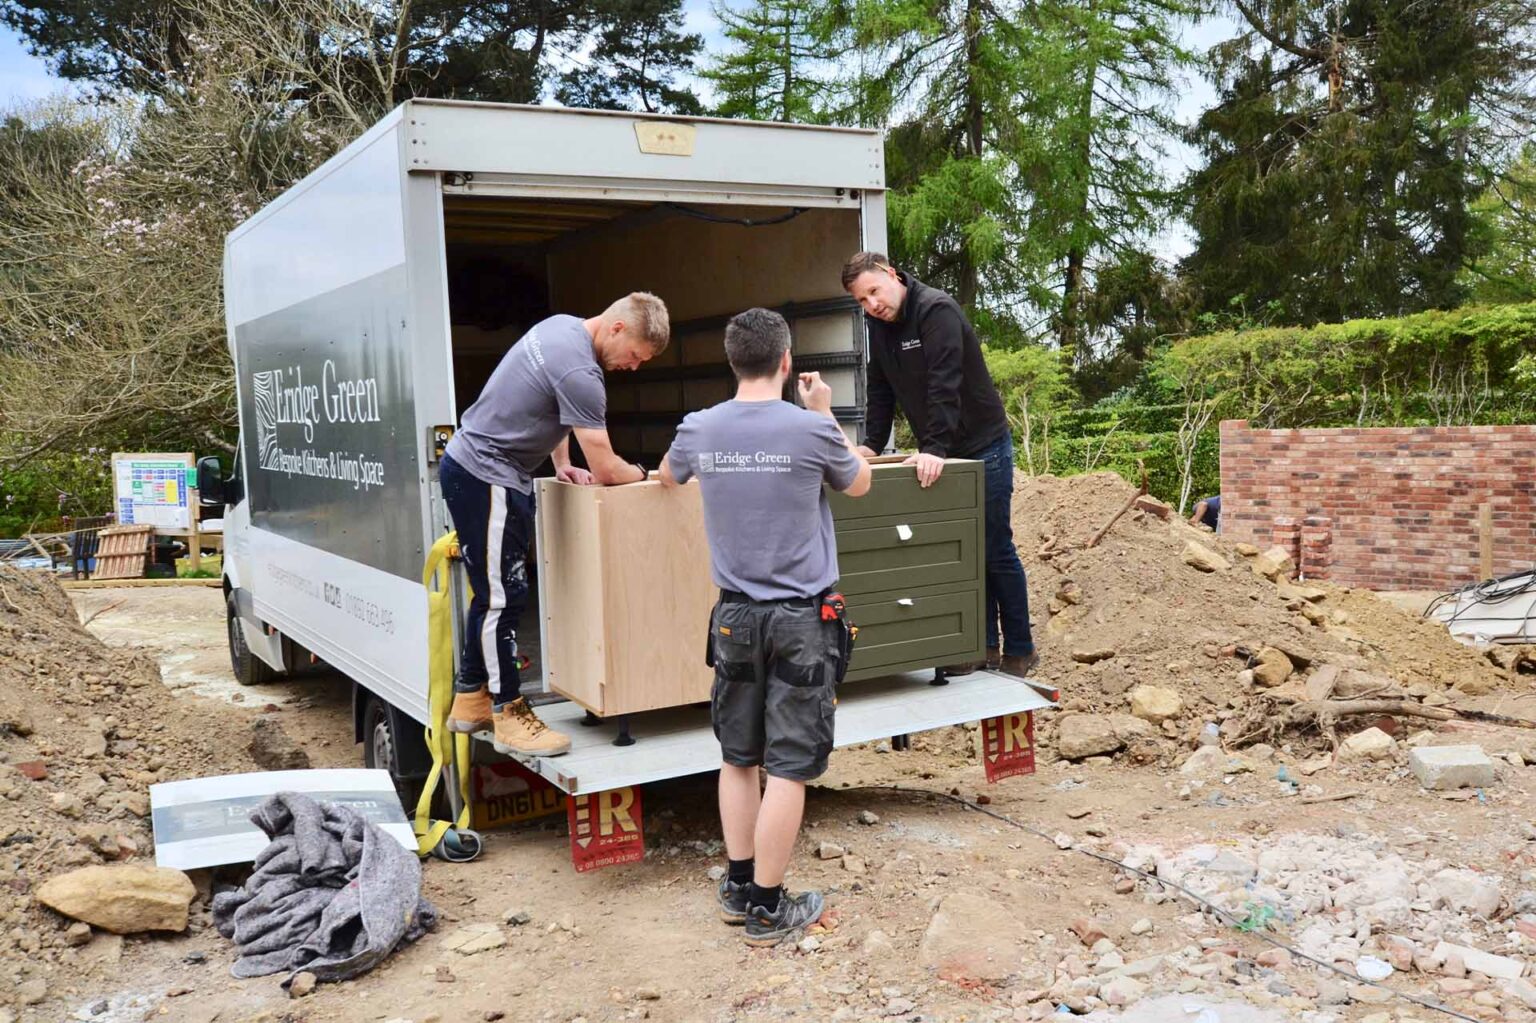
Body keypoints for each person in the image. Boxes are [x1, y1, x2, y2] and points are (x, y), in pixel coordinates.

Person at [660, 308, 872, 947]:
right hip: (802, 620)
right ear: (786, 362)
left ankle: (738, 883)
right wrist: (826, 410)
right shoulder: (812, 430)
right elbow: (859, 485)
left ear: (732, 362)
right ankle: (768, 907)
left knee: (738, 756)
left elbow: (668, 477)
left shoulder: (698, 429)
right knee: (788, 766)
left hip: (734, 618)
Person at [443, 293, 669, 756]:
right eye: (634, 357)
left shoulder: (563, 329)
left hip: (478, 469)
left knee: (492, 592)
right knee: (503, 597)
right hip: (488, 475)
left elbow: (551, 406)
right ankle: (509, 712)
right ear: (618, 329)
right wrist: (649, 474)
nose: (633, 368)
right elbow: (606, 469)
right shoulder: (582, 373)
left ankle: (470, 697)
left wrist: (561, 462)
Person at [840, 252, 1038, 677]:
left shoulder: (936, 310)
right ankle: (977, 646)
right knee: (962, 550)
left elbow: (944, 382)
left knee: (993, 546)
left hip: (983, 445)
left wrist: (934, 448)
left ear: (892, 276)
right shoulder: (879, 324)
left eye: (874, 291)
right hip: (947, 450)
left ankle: (1020, 648)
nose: (871, 304)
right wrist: (872, 444)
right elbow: (881, 384)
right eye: (861, 300)